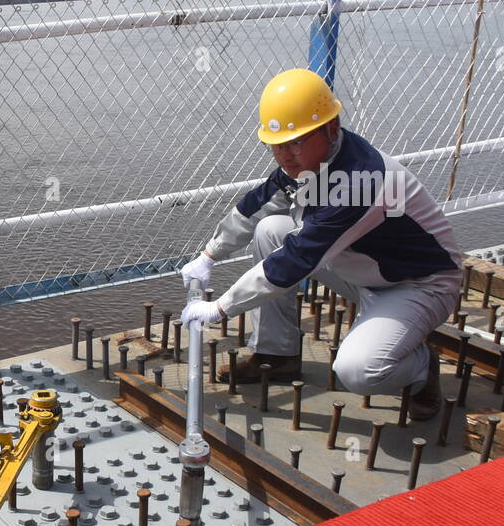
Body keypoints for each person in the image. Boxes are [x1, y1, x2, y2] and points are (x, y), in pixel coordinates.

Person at [179, 69, 462, 421]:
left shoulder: (362, 181)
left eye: (295, 142)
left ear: (332, 128)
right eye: (276, 144)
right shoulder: (310, 161)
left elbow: (297, 260)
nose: (284, 155)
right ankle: (277, 354)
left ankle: (422, 367)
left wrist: (220, 308)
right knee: (270, 229)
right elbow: (258, 204)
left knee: (359, 370)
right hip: (366, 268)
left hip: (419, 285)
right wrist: (209, 255)